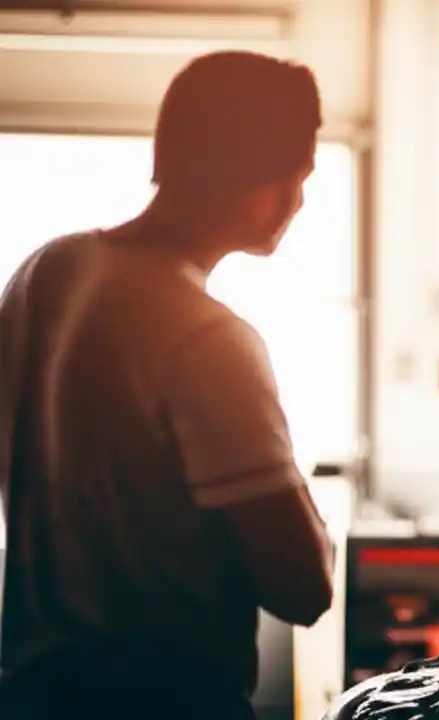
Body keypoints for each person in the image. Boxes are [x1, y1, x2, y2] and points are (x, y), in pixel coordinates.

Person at [0, 51, 334, 719]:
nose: (299, 198)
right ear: (257, 174)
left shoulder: (43, 275)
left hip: (31, 689)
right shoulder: (209, 339)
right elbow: (302, 587)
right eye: (298, 173)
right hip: (166, 696)